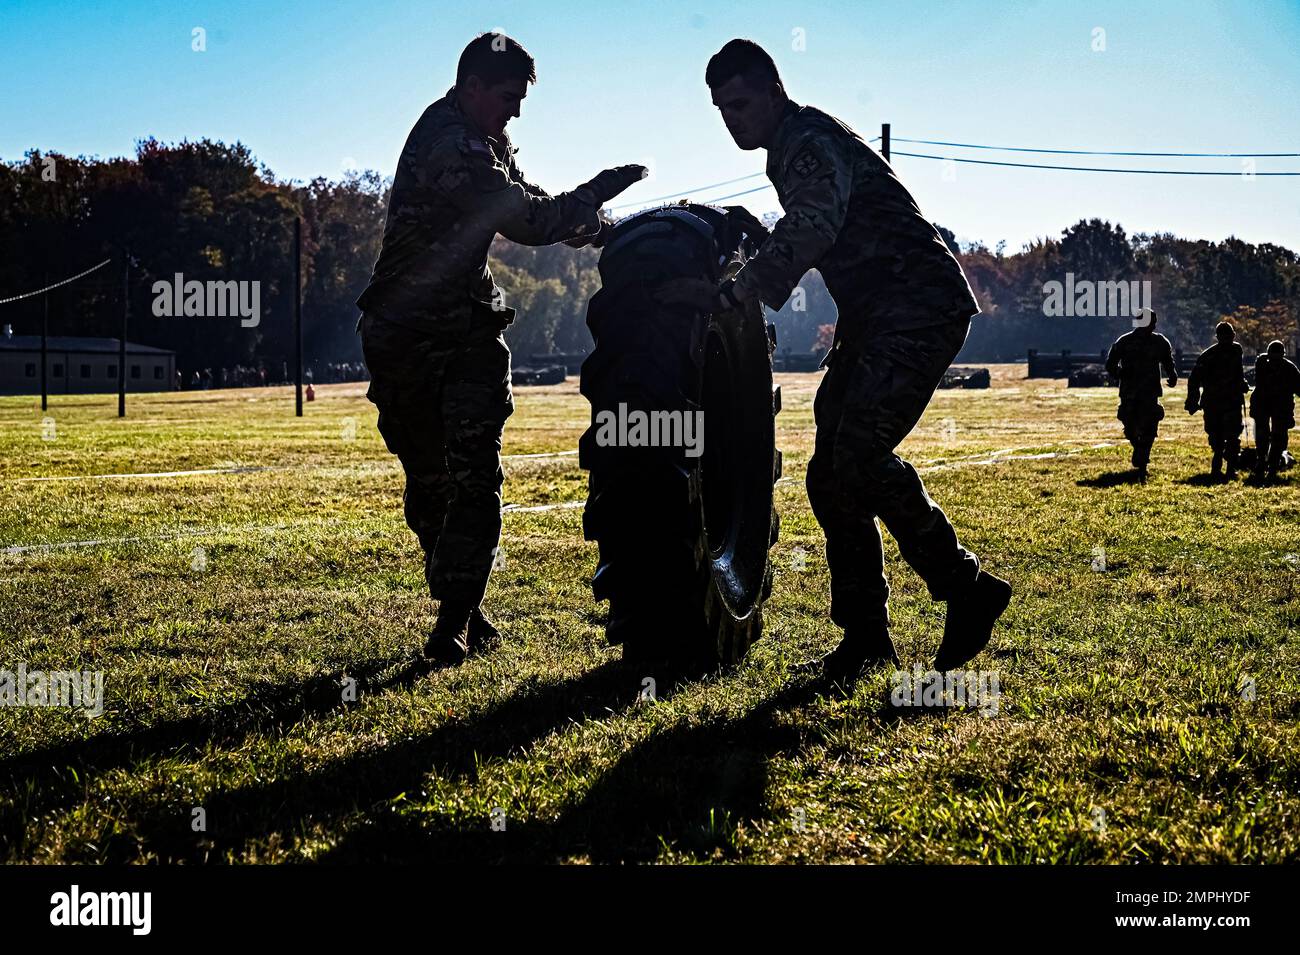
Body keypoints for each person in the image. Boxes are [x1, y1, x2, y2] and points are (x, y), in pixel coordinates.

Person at [660, 39, 1010, 687]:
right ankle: (867, 637)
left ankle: (966, 585)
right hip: (877, 316)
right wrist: (758, 233)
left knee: (857, 455)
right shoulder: (790, 147)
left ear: (773, 91)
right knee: (830, 475)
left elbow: (816, 226)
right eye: (720, 109)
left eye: (739, 103)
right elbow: (824, 223)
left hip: (915, 306)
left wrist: (734, 292)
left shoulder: (804, 139)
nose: (731, 119)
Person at [357, 32, 646, 665]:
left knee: (474, 475)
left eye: (520, 101)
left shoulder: (480, 136)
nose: (514, 113)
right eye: (507, 99)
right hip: (407, 334)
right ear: (471, 87)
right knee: (430, 482)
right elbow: (525, 222)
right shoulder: (451, 143)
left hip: (464, 334)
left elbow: (531, 203)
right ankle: (463, 609)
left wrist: (602, 232)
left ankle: (453, 624)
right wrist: (595, 193)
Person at [1105, 308, 1177, 478]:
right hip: (1130, 392)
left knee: (1150, 426)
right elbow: (1111, 364)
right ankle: (1138, 449)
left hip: (1150, 393)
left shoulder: (1159, 342)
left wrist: (1172, 375)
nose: (1153, 325)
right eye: (1151, 321)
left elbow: (1168, 361)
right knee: (1130, 426)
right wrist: (1121, 374)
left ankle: (1143, 459)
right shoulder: (1124, 341)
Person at [1185, 321, 1248, 479]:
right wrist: (1193, 401)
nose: (1228, 338)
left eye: (1230, 335)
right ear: (1218, 337)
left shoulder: (1236, 350)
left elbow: (1238, 373)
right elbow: (1194, 379)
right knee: (1217, 437)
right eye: (1225, 336)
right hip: (1215, 402)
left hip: (1229, 401)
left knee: (1231, 436)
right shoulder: (1208, 356)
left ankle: (1229, 468)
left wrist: (1242, 384)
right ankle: (1220, 466)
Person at [1250, 340, 1300, 482]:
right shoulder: (1287, 368)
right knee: (1269, 435)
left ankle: (1268, 463)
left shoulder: (1263, 364)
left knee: (1272, 436)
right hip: (1269, 405)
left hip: (1274, 406)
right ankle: (1267, 463)